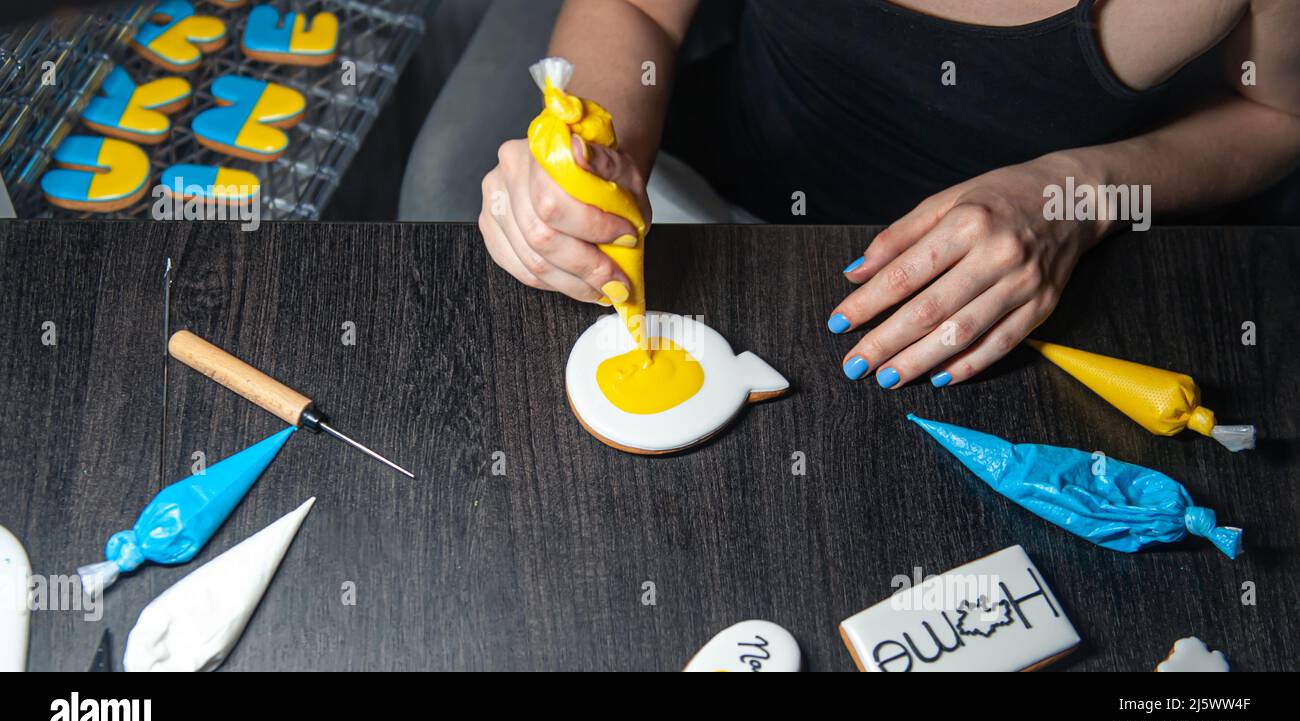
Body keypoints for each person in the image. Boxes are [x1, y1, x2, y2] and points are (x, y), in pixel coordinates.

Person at [478, 0, 1300, 388]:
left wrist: (1075, 197)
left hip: (1041, 311)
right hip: (718, 212)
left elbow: (1278, 113)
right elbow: (635, 11)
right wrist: (594, 154)